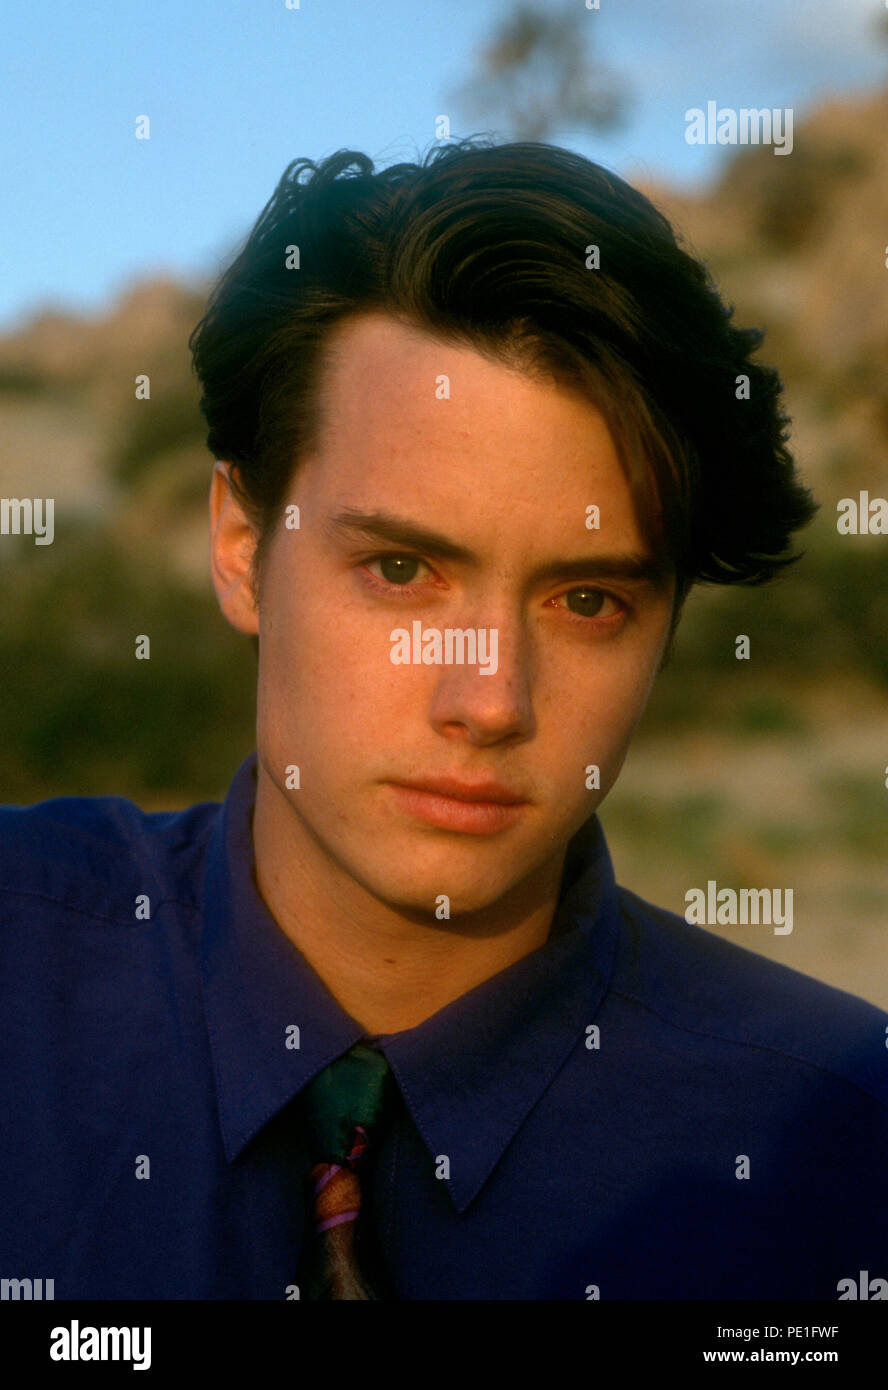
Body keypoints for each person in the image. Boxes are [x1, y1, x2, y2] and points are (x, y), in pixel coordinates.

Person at [1, 139, 885, 1301]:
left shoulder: (835, 1139)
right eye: (404, 570)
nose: (490, 699)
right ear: (239, 544)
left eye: (586, 600)